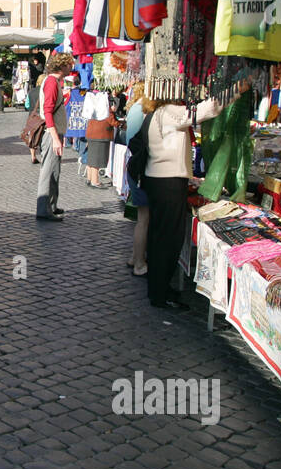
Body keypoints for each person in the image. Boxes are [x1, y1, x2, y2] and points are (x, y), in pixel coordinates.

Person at [144, 80, 253, 310]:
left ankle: (158, 287)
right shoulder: (170, 112)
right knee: (167, 238)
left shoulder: (157, 113)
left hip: (159, 179)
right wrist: (235, 91)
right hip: (167, 182)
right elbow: (205, 110)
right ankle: (160, 292)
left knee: (159, 236)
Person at [35, 53, 74, 221]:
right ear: (62, 66)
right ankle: (44, 209)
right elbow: (48, 111)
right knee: (48, 170)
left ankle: (51, 205)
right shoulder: (51, 82)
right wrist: (55, 138)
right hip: (51, 133)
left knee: (54, 170)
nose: (72, 67)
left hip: (55, 132)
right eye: (70, 64)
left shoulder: (53, 82)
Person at [123, 82, 151, 277]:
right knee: (144, 219)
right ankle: (139, 262)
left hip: (134, 165)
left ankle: (135, 256)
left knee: (142, 218)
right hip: (141, 167)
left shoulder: (135, 107)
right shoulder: (144, 110)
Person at [82, 85, 117, 189]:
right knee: (96, 159)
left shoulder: (93, 101)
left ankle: (89, 178)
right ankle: (95, 181)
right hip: (100, 134)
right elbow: (110, 120)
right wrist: (119, 123)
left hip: (91, 132)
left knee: (91, 157)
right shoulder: (104, 103)